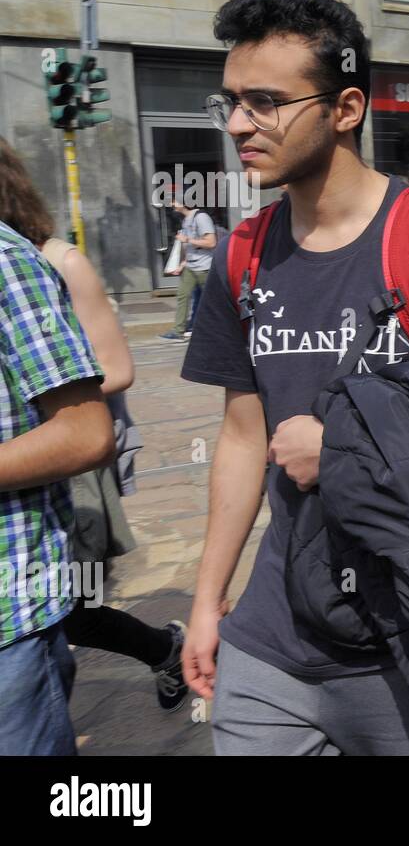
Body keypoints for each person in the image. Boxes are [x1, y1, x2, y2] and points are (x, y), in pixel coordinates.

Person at [181, 0, 409, 754]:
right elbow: (244, 438)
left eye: (267, 102)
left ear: (346, 108)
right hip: (270, 640)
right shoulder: (239, 256)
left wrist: (344, 441)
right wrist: (209, 601)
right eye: (232, 102)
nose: (240, 124)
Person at [0, 138, 188, 713]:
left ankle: (163, 648)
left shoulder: (55, 259)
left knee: (70, 599)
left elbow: (117, 369)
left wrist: (42, 388)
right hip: (27, 459)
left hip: (63, 458)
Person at [0, 198, 115, 753]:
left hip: (11, 614)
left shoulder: (23, 262)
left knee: (87, 606)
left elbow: (91, 423)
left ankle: (165, 649)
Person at [158, 198, 217, 343]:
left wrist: (187, 240)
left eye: (174, 201)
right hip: (191, 266)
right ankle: (178, 331)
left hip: (205, 267)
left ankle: (221, 329)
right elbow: (187, 247)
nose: (172, 205)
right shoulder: (186, 220)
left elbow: (211, 242)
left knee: (212, 300)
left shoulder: (201, 217)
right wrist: (181, 265)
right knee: (182, 296)